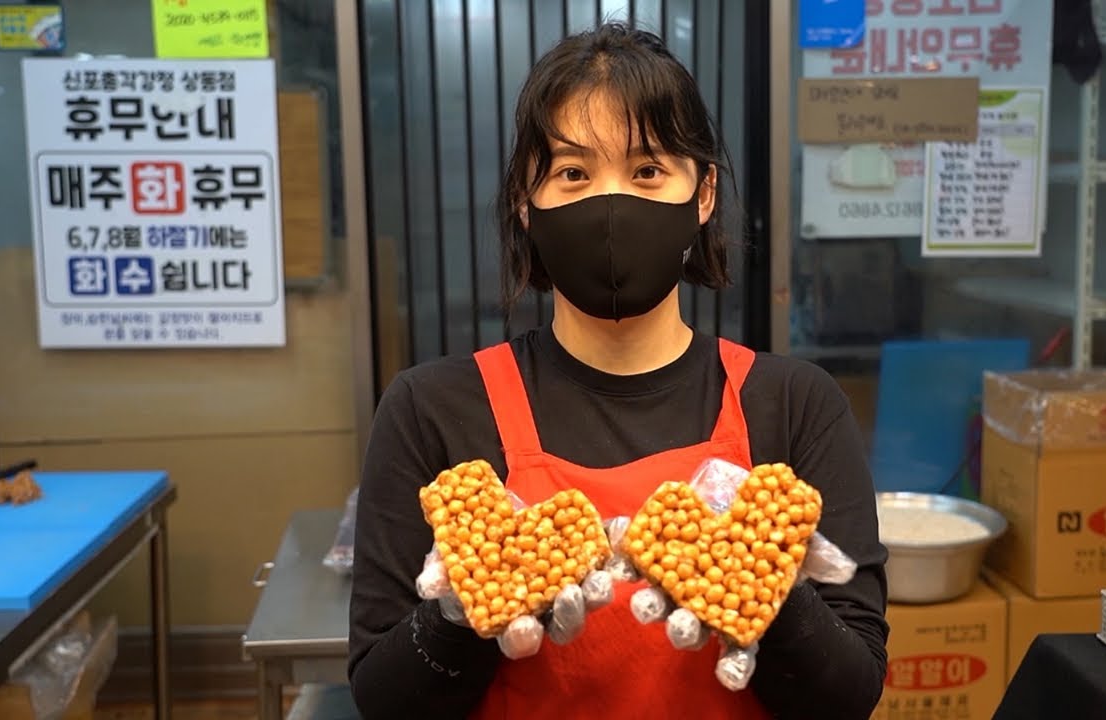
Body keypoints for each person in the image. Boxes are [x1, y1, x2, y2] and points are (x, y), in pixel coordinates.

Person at [348, 22, 888, 720]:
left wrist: (772, 597)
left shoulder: (793, 404)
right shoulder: (433, 408)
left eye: (647, 171)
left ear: (704, 195)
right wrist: (459, 614)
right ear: (525, 200)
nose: (610, 205)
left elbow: (852, 695)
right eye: (573, 173)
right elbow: (382, 699)